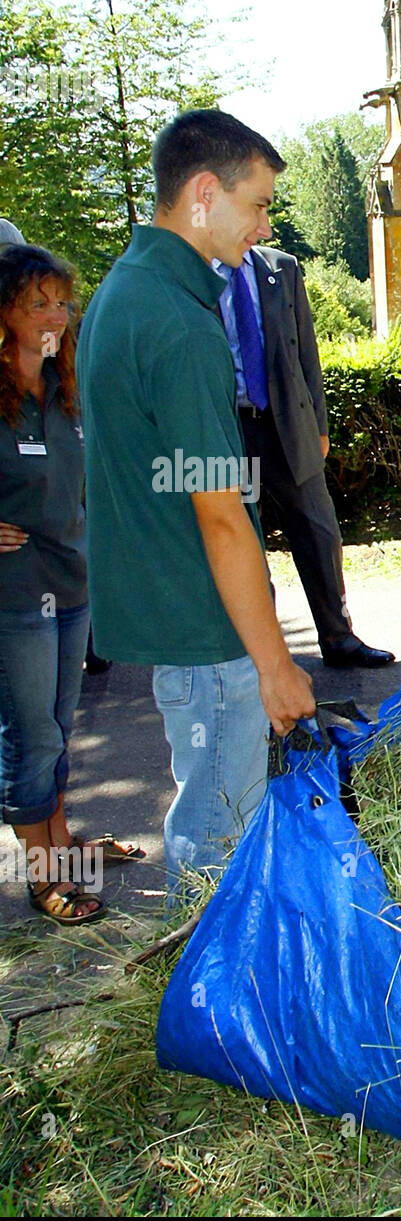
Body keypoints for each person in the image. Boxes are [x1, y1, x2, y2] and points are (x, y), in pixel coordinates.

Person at [77, 109, 316, 899]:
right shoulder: (178, 324)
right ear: (205, 193)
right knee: (216, 848)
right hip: (210, 633)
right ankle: (200, 1015)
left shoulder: (126, 291)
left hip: (186, 621)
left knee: (214, 829)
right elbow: (218, 514)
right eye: (257, 203)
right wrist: (276, 665)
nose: (264, 224)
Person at [213, 242, 393, 669]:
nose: (263, 224)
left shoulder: (281, 267)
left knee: (319, 532)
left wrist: (320, 425)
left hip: (287, 425)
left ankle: (340, 637)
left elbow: (305, 351)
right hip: (225, 426)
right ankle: (259, 652)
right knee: (241, 538)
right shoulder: (196, 268)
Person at [0, 245, 103, 922]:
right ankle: (41, 876)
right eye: (39, 302)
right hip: (15, 592)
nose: (56, 315)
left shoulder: (68, 388)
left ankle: (62, 848)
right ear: (5, 311)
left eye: (62, 302)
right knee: (31, 735)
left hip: (73, 585)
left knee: (59, 729)